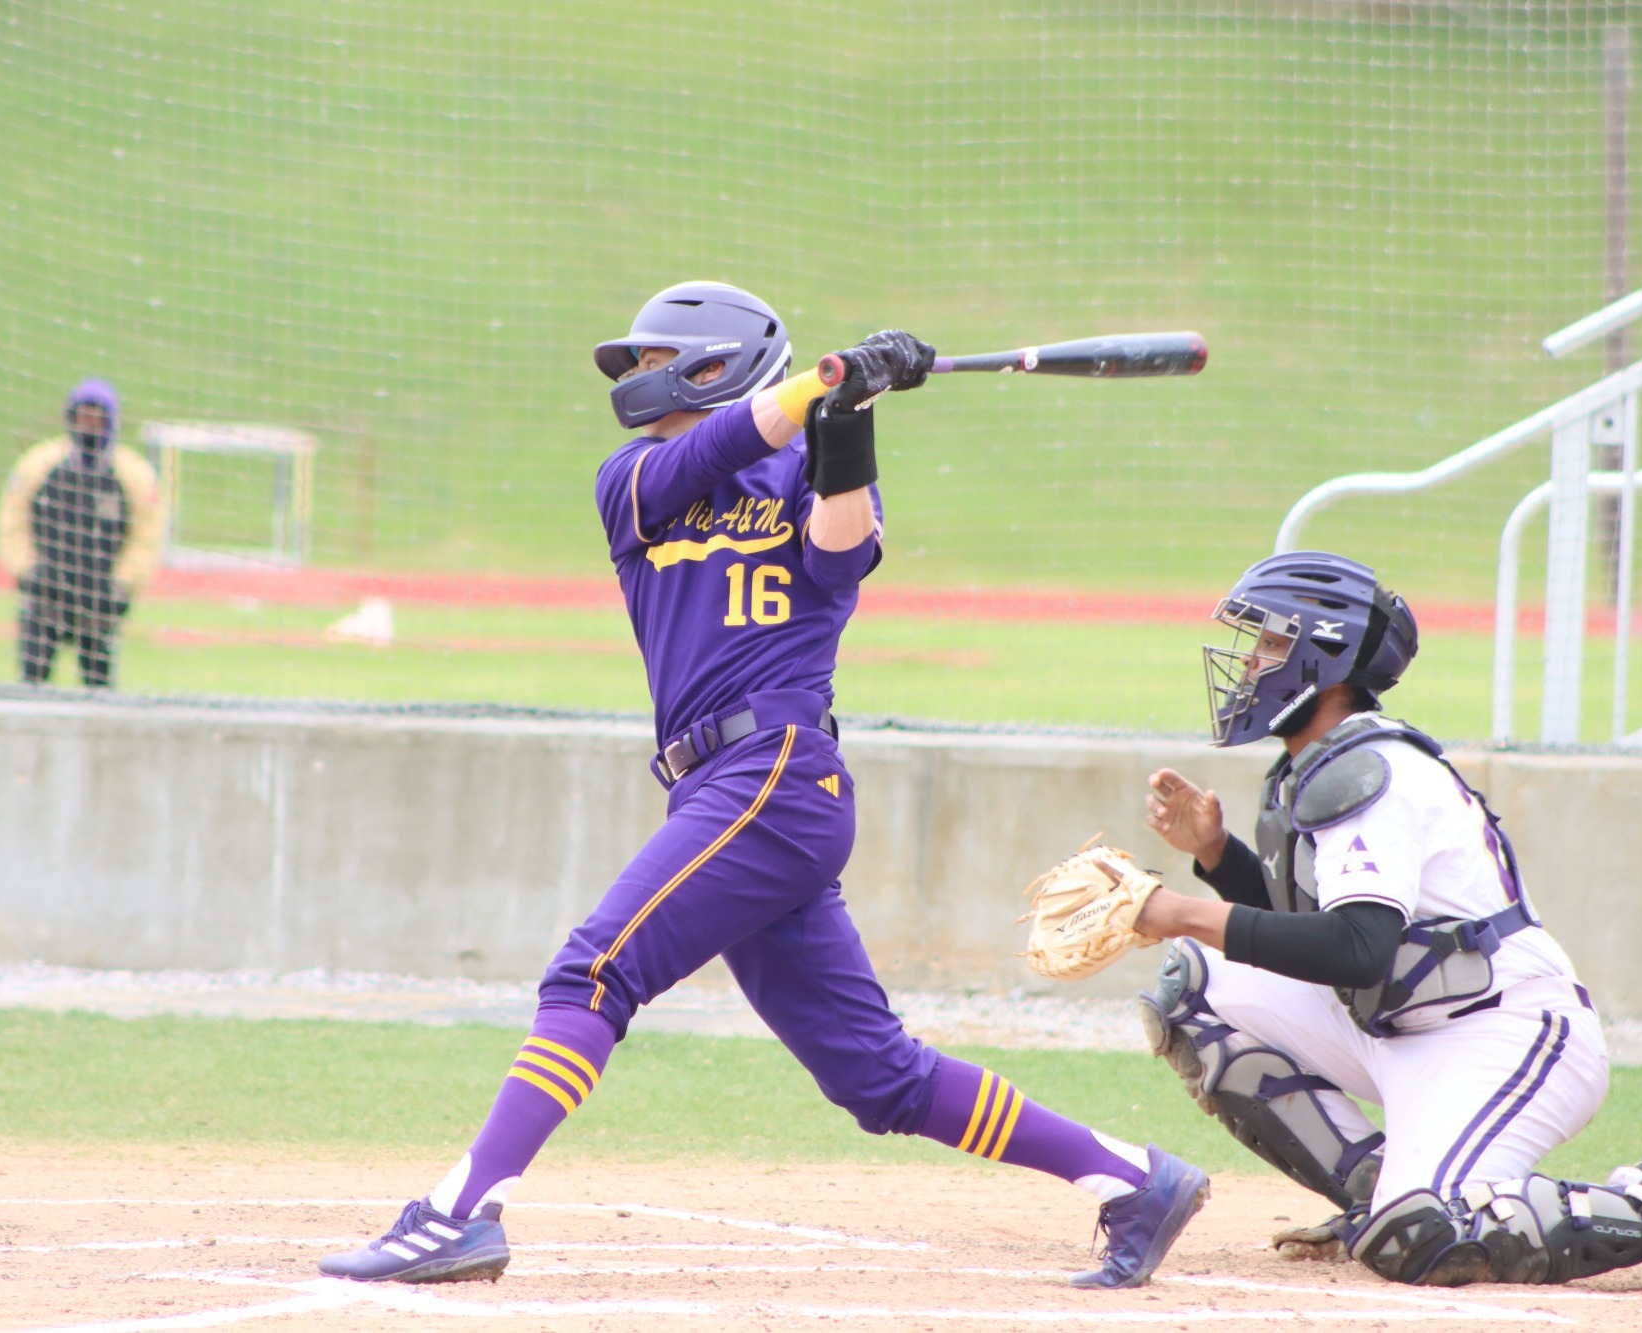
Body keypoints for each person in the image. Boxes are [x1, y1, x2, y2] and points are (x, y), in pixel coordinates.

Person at [321, 281, 1208, 1289]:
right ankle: (1134, 1179)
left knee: (591, 973)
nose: (640, 379)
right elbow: (712, 453)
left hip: (773, 772)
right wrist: (821, 384)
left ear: (717, 361)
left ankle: (458, 1210)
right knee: (876, 1076)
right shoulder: (635, 478)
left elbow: (839, 548)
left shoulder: (811, 473)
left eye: (660, 361)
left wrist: (849, 416)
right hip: (724, 789)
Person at [1130, 549, 1642, 1287]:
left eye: (1269, 642)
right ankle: (1380, 1194)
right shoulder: (1318, 764)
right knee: (1191, 989)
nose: (1251, 661)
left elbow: (1357, 948)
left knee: (1421, 1236)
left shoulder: (1375, 774)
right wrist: (1218, 855)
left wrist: (1186, 911)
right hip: (1404, 1024)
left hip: (1502, 1029)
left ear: (1322, 655)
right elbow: (1316, 938)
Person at [0, 379, 163, 688]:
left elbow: (147, 535)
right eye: (83, 417)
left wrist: (123, 585)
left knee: (99, 689)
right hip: (47, 592)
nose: (89, 426)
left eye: (97, 418)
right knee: (31, 682)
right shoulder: (39, 464)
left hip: (99, 598)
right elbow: (13, 519)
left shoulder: (133, 474)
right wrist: (27, 570)